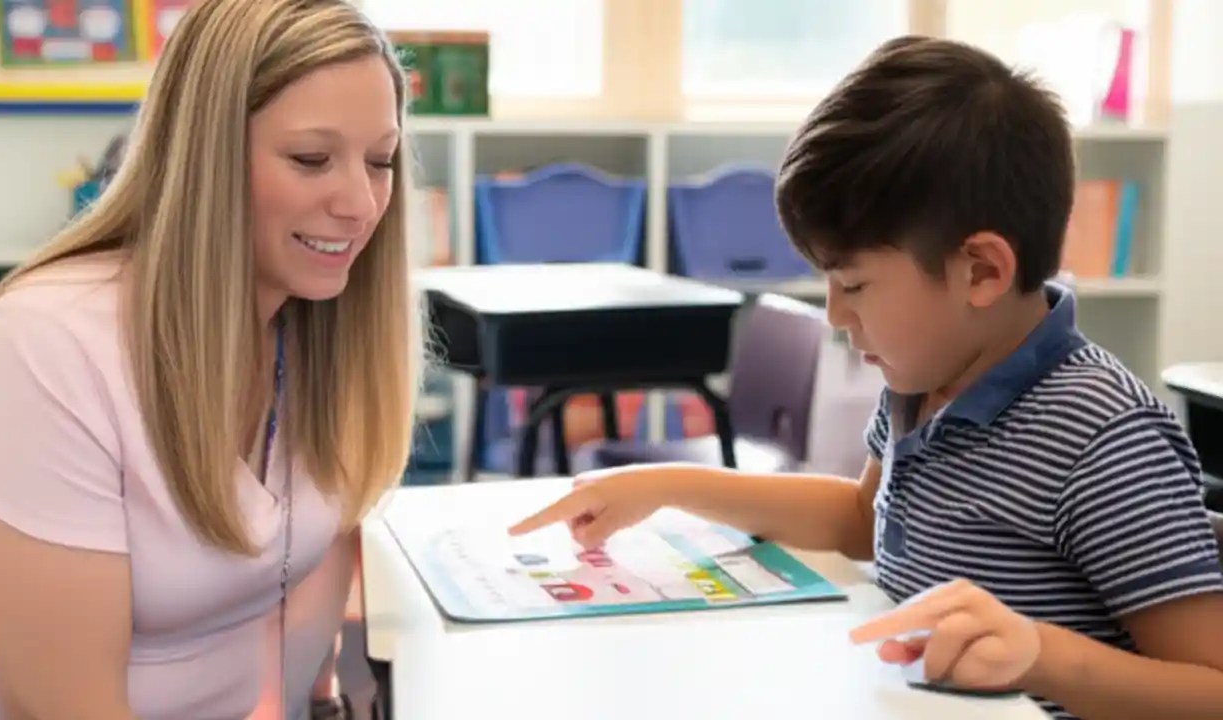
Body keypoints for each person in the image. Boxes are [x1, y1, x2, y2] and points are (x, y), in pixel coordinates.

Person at [510, 36, 1223, 720]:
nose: (833, 314)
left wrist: (1038, 654)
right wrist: (666, 486)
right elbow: (861, 519)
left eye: (853, 283)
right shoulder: (924, 377)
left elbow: (1210, 689)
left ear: (981, 271)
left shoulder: (1104, 436)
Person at [0, 1, 419, 718]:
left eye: (379, 161)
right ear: (205, 157)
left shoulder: (321, 328)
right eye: (311, 159)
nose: (361, 203)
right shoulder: (46, 348)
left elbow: (314, 612)